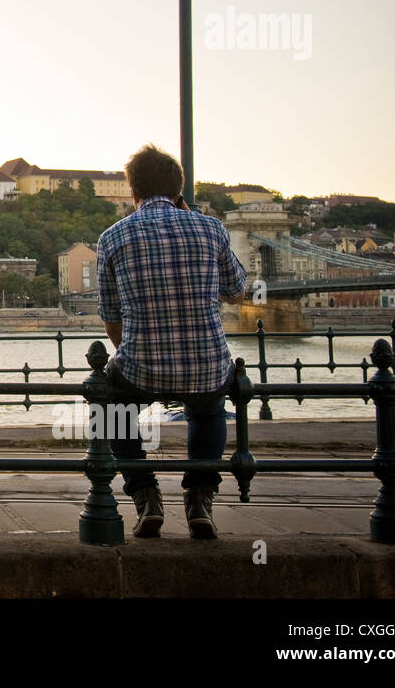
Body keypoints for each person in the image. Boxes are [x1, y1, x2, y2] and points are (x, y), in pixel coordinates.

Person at [96, 144, 247, 539]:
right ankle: (199, 498)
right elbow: (236, 292)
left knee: (113, 410)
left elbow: (112, 321)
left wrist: (137, 356)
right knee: (209, 410)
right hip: (207, 367)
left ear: (132, 192)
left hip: (141, 368)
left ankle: (146, 495)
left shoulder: (112, 238)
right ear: (180, 192)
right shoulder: (212, 229)